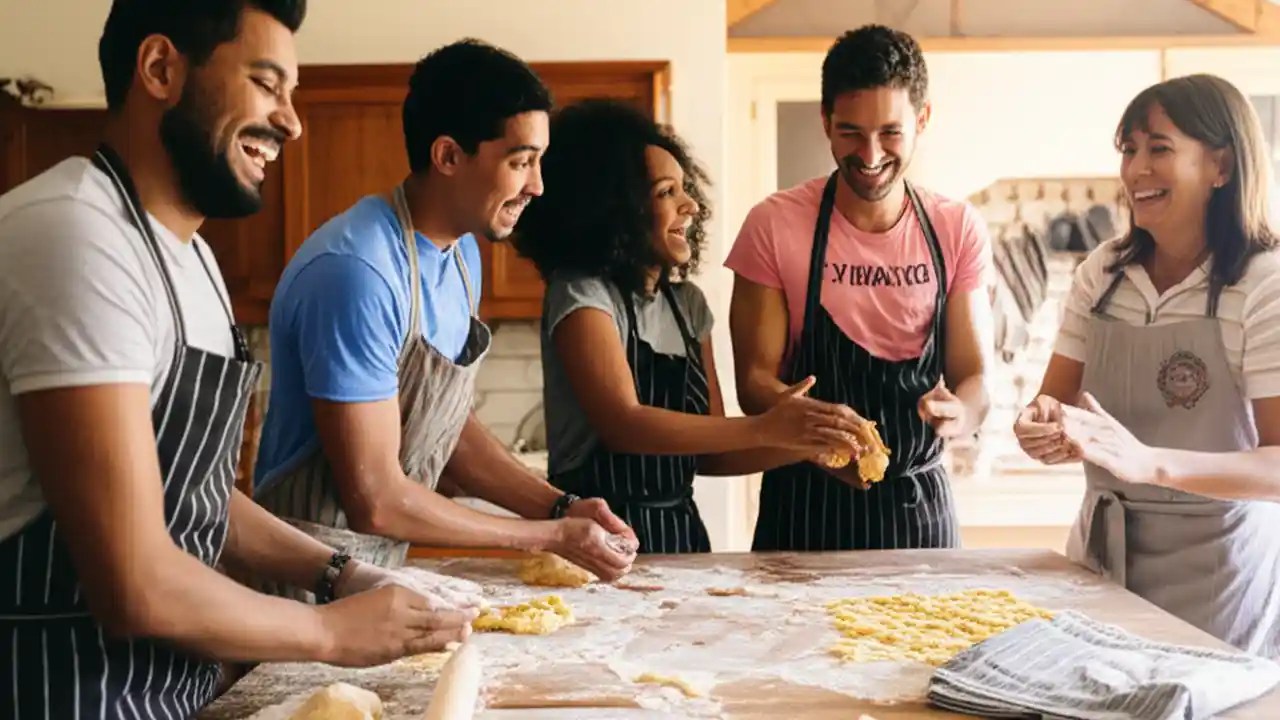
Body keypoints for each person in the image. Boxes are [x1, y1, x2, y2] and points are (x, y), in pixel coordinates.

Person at [0, 2, 483, 716]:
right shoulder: (73, 236)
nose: (292, 121)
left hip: (168, 692)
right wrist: (329, 630)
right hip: (59, 689)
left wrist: (340, 575)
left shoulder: (191, 258)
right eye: (266, 84)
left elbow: (191, 492)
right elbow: (134, 583)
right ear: (161, 68)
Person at [253, 40, 638, 583]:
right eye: (520, 161)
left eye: (539, 162)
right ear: (449, 156)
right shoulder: (357, 271)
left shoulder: (461, 257)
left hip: (381, 569)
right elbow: (377, 499)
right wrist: (548, 536)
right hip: (302, 576)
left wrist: (559, 507)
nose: (537, 185)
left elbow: (446, 427)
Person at [512, 100, 861, 554]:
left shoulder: (688, 306)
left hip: (682, 539)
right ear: (614, 209)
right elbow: (625, 423)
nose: (690, 206)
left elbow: (712, 447)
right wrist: (765, 427)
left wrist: (808, 444)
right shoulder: (581, 294)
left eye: (684, 189)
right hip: (593, 538)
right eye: (664, 192)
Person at [1014, 74, 1280, 657]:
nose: (1136, 170)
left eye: (1159, 149)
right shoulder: (1102, 273)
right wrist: (1039, 426)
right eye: (1128, 150)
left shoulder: (1265, 283)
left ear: (1222, 167)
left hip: (1219, 578)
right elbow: (1052, 403)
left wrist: (1149, 463)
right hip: (1101, 561)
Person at [725, 24, 995, 552]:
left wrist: (960, 413)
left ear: (922, 120)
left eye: (890, 132)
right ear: (825, 121)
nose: (870, 155)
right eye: (850, 132)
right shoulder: (775, 225)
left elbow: (976, 378)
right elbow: (754, 380)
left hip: (919, 512)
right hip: (805, 504)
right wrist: (818, 429)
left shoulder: (956, 228)